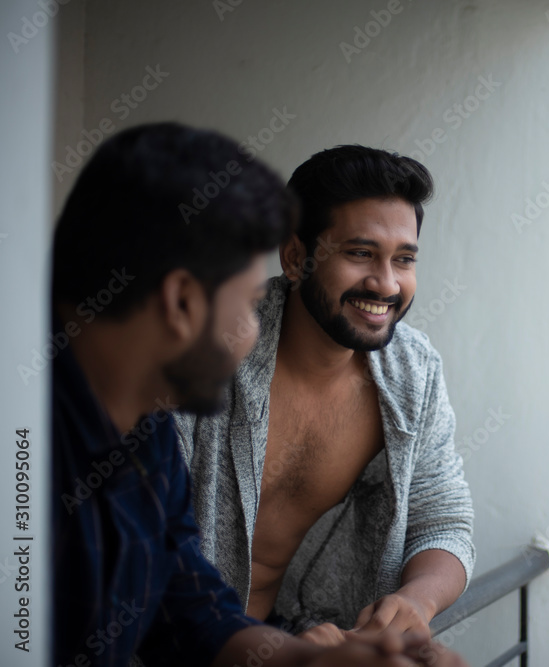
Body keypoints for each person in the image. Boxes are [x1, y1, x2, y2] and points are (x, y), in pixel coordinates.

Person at [51, 123, 466, 666]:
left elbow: (189, 607)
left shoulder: (142, 429)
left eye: (405, 259)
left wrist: (311, 660)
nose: (386, 283)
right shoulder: (39, 436)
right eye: (248, 301)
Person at [177, 145, 475, 643]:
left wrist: (415, 601)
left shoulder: (413, 371)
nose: (385, 283)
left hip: (310, 645)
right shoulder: (213, 352)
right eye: (360, 253)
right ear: (296, 256)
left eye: (403, 259)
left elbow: (443, 519)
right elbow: (149, 547)